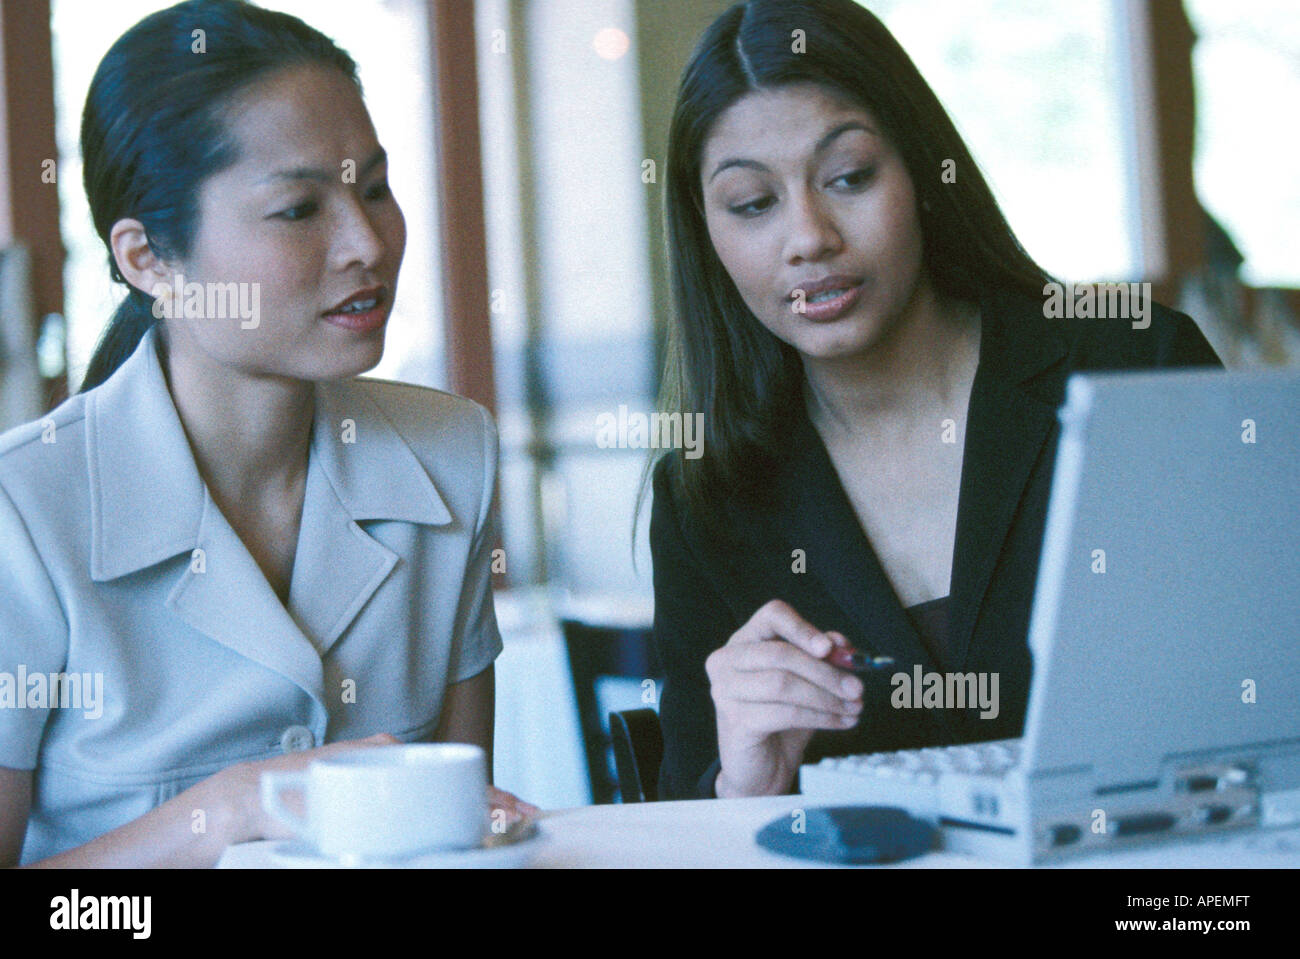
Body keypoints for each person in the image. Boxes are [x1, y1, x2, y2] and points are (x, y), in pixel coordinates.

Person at [0, 0, 531, 867]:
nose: (367, 242)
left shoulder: (450, 456)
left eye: (373, 189)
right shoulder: (23, 511)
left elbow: (460, 835)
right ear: (147, 260)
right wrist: (235, 805)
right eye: (298, 210)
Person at [648, 0, 1223, 801]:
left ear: (921, 172)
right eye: (753, 203)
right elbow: (680, 819)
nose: (808, 236)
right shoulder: (709, 495)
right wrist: (746, 781)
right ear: (706, 231)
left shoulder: (1136, 368)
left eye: (848, 177)